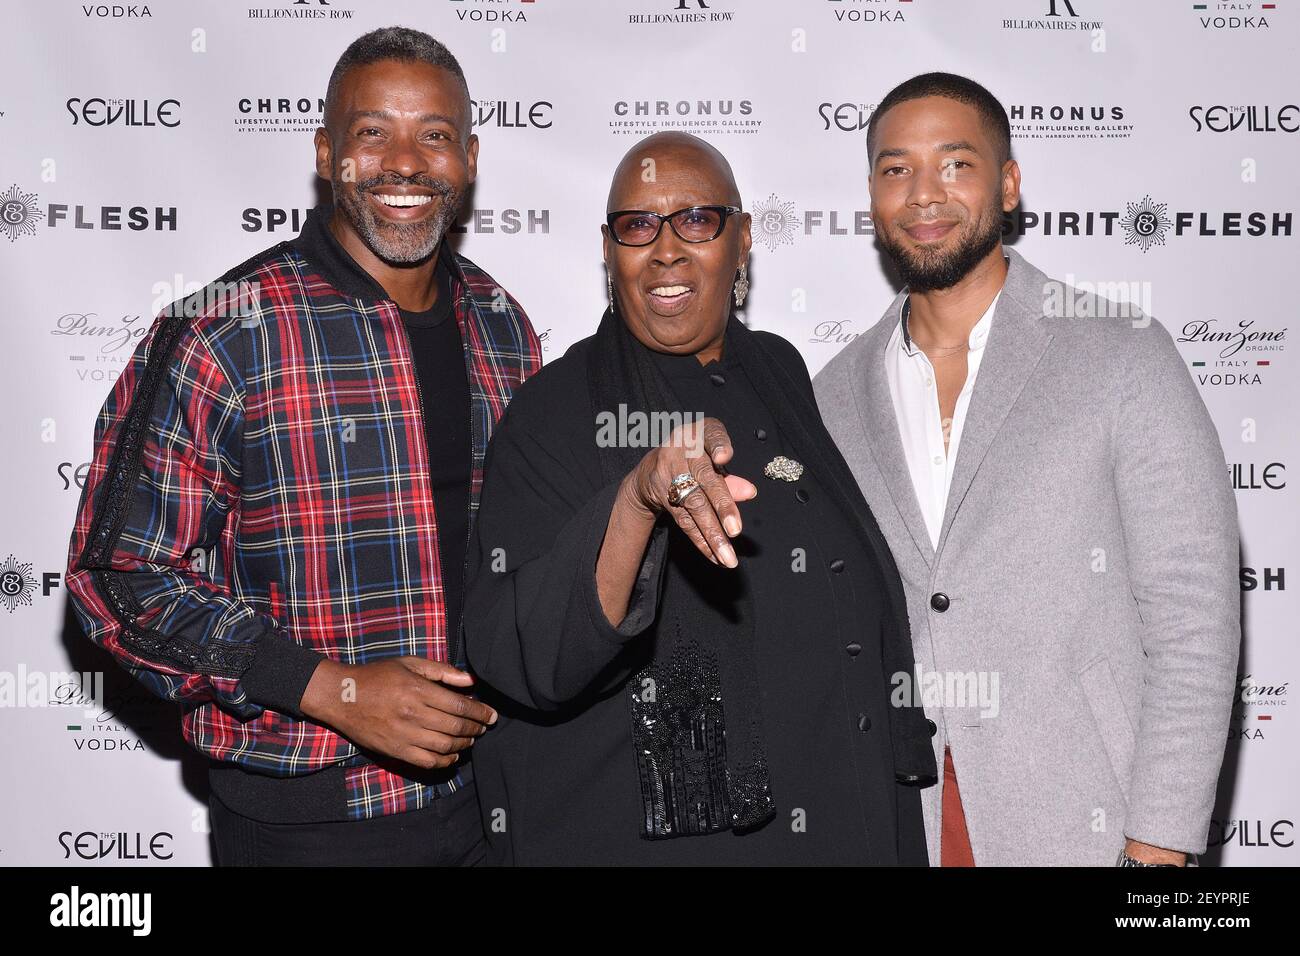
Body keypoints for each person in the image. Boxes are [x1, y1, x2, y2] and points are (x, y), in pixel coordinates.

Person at [64, 27, 541, 866]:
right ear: (327, 153)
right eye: (372, 132)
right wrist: (332, 689)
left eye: (433, 134)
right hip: (307, 822)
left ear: (468, 158)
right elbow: (116, 576)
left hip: (493, 804)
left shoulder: (502, 326)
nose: (405, 160)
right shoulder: (219, 330)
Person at [462, 131, 936, 865]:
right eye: (638, 226)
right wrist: (637, 498)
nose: (667, 248)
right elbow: (522, 658)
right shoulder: (553, 411)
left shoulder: (774, 367)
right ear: (610, 251)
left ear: (742, 241)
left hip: (837, 818)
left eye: (696, 220)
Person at [813, 72, 1240, 866]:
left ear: (1008, 187)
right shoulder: (835, 394)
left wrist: (1159, 848)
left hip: (1091, 814)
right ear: (871, 198)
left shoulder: (1121, 352)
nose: (923, 194)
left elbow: (1195, 617)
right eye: (895, 168)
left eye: (956, 163)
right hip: (906, 819)